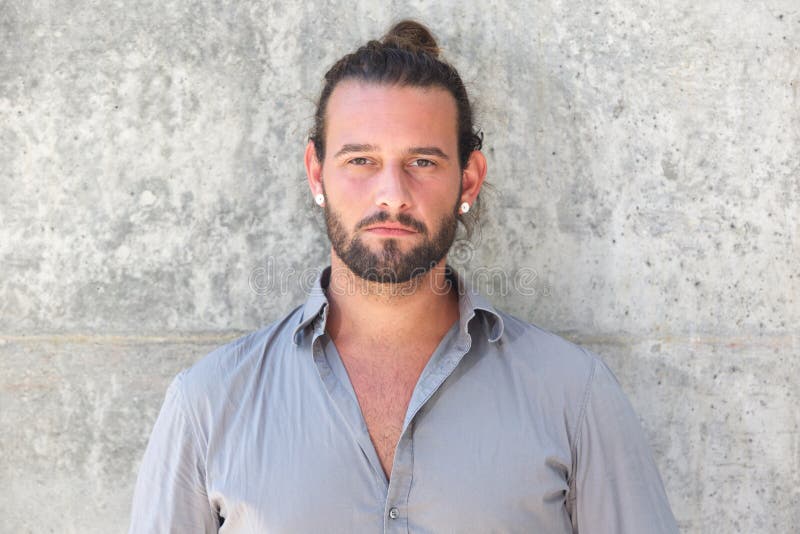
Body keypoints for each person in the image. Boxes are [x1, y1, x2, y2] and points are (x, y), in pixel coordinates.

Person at [129, 20, 679, 533]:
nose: (391, 192)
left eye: (422, 161)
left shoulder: (574, 397)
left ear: (468, 180)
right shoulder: (208, 404)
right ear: (316, 173)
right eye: (361, 160)